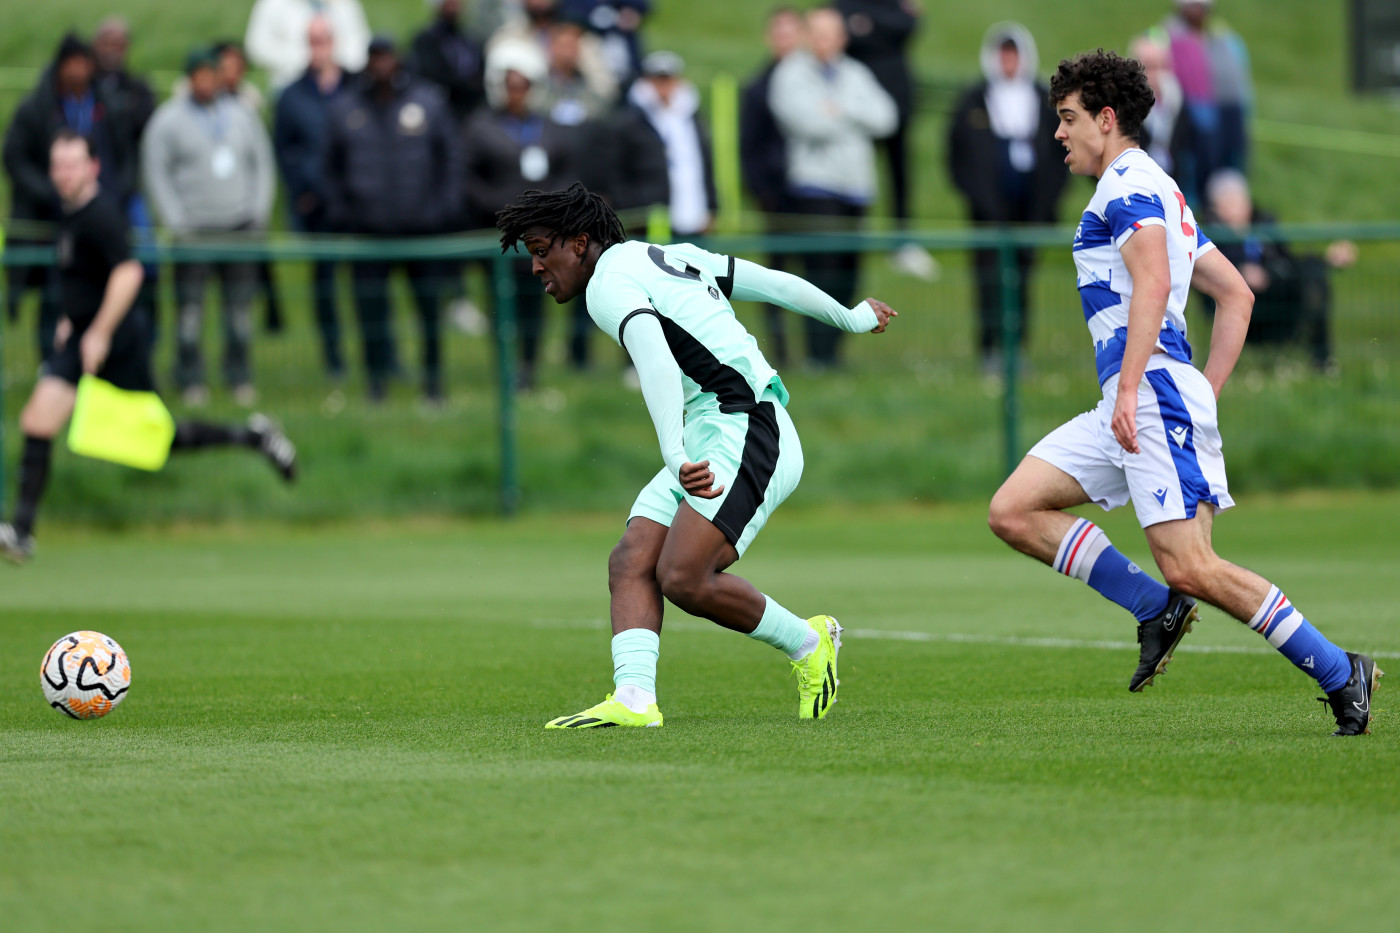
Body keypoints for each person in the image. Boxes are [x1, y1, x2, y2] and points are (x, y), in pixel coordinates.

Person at [986, 51, 1380, 737]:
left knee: (1192, 564)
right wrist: (1199, 393)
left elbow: (1156, 286)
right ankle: (1152, 606)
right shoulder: (1153, 185)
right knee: (1014, 509)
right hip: (1141, 395)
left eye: (1069, 118)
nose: (1060, 133)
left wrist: (1147, 388)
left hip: (1144, 392)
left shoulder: (1127, 186)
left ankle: (1342, 671)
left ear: (1107, 120)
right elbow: (1235, 294)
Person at [495, 183, 898, 727]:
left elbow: (656, 362)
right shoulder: (667, 256)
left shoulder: (608, 285)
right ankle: (635, 700)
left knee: (684, 577)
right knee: (632, 560)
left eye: (543, 250)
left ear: (581, 242)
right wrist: (849, 317)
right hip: (717, 432)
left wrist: (673, 452)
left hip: (748, 429)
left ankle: (809, 642)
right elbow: (773, 283)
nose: (538, 267)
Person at [0, 132, 295, 566]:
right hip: (84, 339)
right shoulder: (70, 214)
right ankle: (22, 532)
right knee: (37, 420)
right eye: (58, 165)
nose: (64, 173)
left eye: (72, 164)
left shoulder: (101, 215)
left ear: (93, 167)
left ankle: (254, 436)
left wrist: (98, 332)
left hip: (115, 343)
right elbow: (85, 278)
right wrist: (71, 320)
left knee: (156, 438)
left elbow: (128, 274)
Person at [323, 36, 463, 402]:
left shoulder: (427, 102)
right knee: (371, 316)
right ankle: (376, 386)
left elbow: (450, 159)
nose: (382, 65)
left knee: (430, 313)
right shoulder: (346, 108)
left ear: (398, 60)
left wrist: (442, 210)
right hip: (369, 233)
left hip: (423, 231)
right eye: (375, 58)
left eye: (388, 57)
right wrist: (345, 214)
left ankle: (433, 385)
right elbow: (330, 169)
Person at [142, 47, 276, 407]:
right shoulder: (167, 120)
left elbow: (262, 164)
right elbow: (157, 172)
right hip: (194, 233)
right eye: (198, 76)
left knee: (239, 313)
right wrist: (174, 220)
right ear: (189, 80)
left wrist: (258, 211)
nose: (205, 82)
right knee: (189, 313)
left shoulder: (241, 115)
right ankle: (191, 378)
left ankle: (239, 376)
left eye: (210, 75)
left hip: (238, 230)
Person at [769, 6, 896, 369]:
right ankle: (816, 354)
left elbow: (886, 117)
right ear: (809, 36)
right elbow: (806, 123)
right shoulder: (790, 72)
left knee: (848, 273)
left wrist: (837, 109)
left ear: (842, 38)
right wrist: (854, 116)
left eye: (831, 34)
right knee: (820, 272)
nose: (825, 42)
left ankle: (832, 353)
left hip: (855, 189)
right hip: (815, 189)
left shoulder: (856, 73)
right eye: (818, 33)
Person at [946, 23, 1068, 374]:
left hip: (1030, 208)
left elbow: (1057, 150)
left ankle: (1017, 349)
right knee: (987, 279)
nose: (1009, 61)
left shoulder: (1042, 100)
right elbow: (959, 155)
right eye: (1003, 54)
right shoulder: (974, 99)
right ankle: (989, 347)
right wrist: (977, 195)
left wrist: (1047, 202)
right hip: (987, 210)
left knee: (1022, 279)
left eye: (1014, 54)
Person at [4, 33, 135, 360]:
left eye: (82, 63)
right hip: (53, 218)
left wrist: (118, 193)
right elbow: (14, 156)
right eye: (70, 63)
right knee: (57, 289)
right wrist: (47, 191)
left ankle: (103, 349)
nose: (77, 70)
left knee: (103, 281)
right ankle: (52, 359)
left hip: (99, 209)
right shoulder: (37, 106)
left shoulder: (107, 103)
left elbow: (128, 153)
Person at [463, 40, 579, 389]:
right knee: (500, 304)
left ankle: (529, 369)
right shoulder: (481, 127)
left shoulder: (547, 128)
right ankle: (505, 369)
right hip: (500, 236)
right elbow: (468, 178)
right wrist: (501, 207)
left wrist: (550, 208)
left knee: (535, 305)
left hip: (542, 237)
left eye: (522, 86)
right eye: (510, 86)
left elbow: (565, 170)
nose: (516, 93)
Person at [1201, 169, 1348, 373]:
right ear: (1216, 208)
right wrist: (1239, 274)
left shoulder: (1264, 225)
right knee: (1308, 277)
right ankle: (1322, 361)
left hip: (1279, 289)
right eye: (1229, 203)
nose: (1237, 209)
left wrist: (1325, 260)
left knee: (1312, 271)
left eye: (1240, 201)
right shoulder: (1210, 239)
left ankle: (1322, 360)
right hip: (1249, 305)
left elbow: (1288, 260)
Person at [274, 15, 351, 379]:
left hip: (356, 203)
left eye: (324, 39)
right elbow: (285, 150)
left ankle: (381, 355)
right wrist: (302, 191)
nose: (319, 47)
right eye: (313, 40)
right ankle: (333, 355)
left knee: (368, 280)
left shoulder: (355, 86)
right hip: (317, 205)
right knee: (324, 282)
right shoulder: (292, 95)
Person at [835, 0, 934, 280]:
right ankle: (858, 235)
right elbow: (840, 27)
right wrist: (876, 30)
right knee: (857, 169)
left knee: (899, 173)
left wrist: (867, 25)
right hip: (857, 102)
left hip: (897, 95)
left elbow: (908, 25)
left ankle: (902, 241)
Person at [739, 6, 805, 365]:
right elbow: (749, 146)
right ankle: (780, 351)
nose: (786, 40)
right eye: (779, 32)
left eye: (792, 32)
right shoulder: (757, 88)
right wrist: (763, 192)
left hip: (813, 197)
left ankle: (820, 351)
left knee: (819, 274)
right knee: (776, 278)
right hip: (776, 198)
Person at [1155, 0, 1252, 205]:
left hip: (1226, 117)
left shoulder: (1224, 39)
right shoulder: (1164, 37)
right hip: (1187, 117)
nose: (1197, 10)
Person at [245, 0, 371, 90]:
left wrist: (334, 62)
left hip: (341, 84)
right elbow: (257, 46)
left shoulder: (346, 4)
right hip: (291, 82)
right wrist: (305, 57)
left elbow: (361, 44)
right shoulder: (272, 4)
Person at [408, 0, 487, 121]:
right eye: (449, 3)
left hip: (472, 111)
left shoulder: (470, 40)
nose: (453, 8)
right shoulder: (425, 41)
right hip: (441, 111)